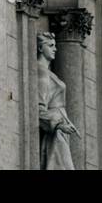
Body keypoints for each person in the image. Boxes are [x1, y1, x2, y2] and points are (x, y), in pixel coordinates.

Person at [37, 32, 79, 170]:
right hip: (55, 130)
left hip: (59, 127)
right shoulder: (41, 71)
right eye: (50, 45)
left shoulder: (48, 72)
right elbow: (38, 109)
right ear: (40, 48)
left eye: (55, 45)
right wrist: (58, 124)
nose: (55, 49)